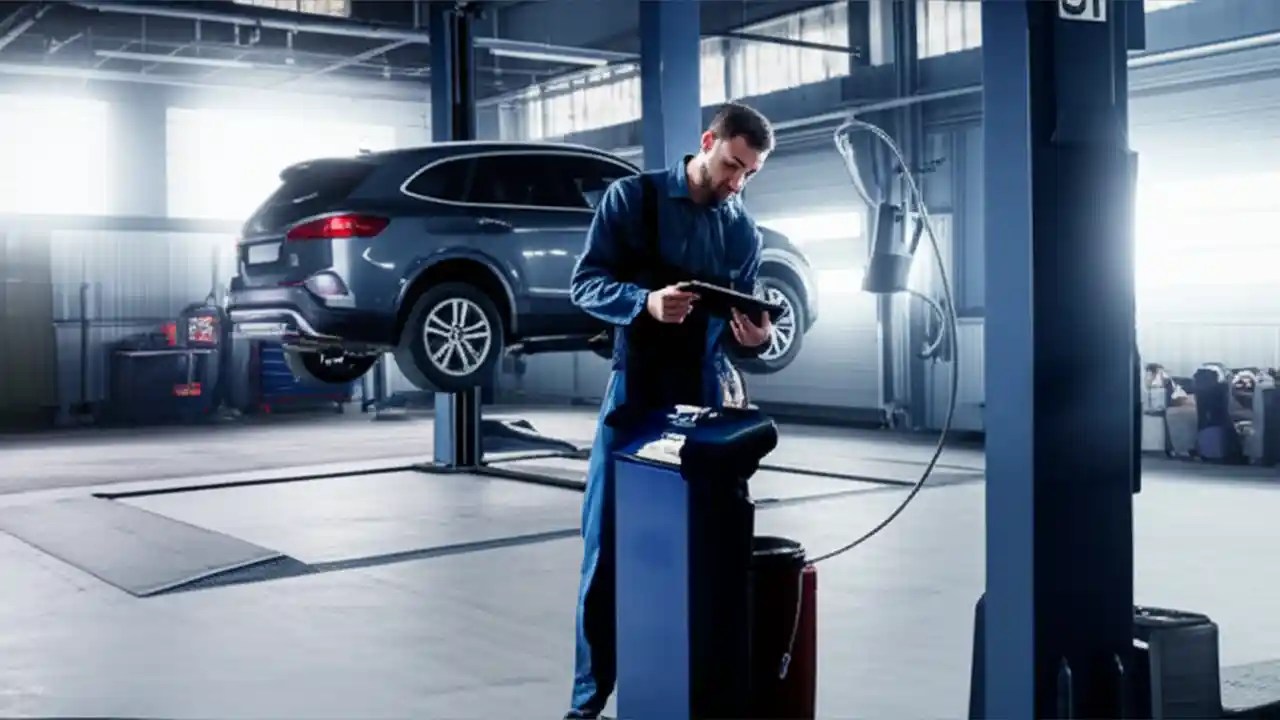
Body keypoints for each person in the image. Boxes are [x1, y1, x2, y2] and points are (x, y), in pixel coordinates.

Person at [564, 102, 776, 719]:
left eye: (750, 174)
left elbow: (740, 329)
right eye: (732, 165)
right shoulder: (633, 200)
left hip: (703, 402)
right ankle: (588, 701)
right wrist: (644, 302)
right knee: (607, 549)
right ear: (707, 142)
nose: (737, 183)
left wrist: (751, 339)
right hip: (636, 396)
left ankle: (685, 691)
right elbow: (586, 283)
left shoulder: (742, 233)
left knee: (701, 551)